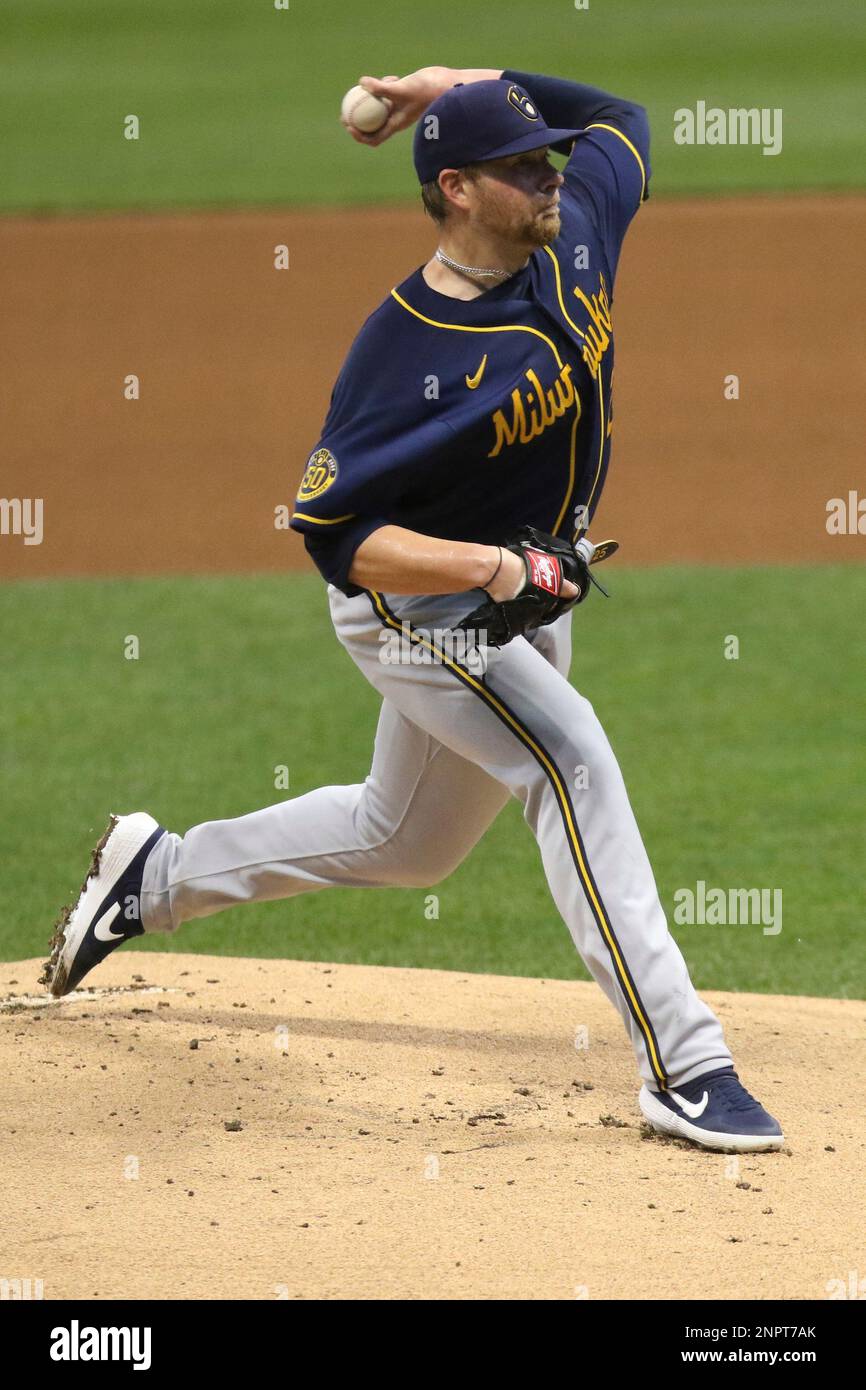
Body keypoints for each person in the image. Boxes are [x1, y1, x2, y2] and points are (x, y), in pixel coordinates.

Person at [44, 66, 783, 1154]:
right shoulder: (401, 358)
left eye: (546, 159)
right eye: (521, 165)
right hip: (418, 612)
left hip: (523, 590)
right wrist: (489, 569)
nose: (550, 176)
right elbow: (335, 539)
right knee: (571, 765)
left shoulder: (572, 230)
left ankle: (155, 875)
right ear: (455, 190)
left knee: (405, 841)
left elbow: (621, 122)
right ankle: (685, 1063)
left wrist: (470, 80)